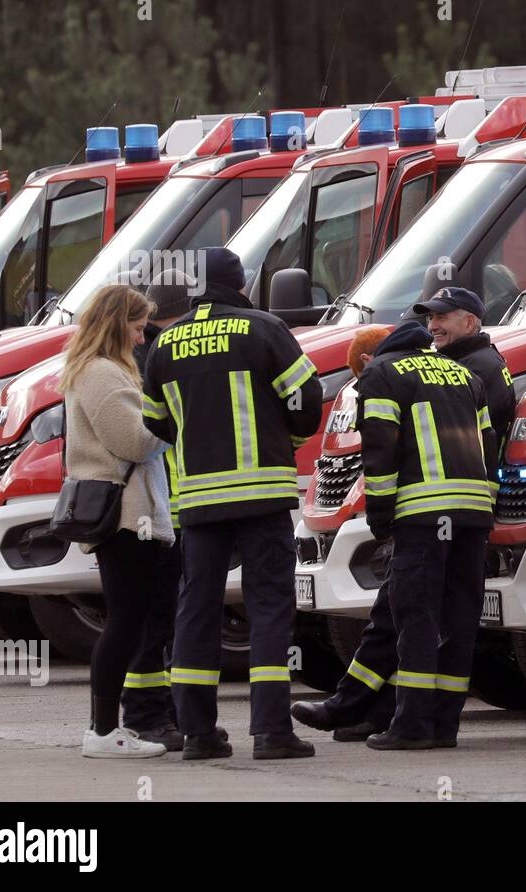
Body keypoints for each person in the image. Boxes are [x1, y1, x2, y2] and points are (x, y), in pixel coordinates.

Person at [291, 288, 516, 743]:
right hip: (470, 514)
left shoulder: (385, 376)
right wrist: (485, 510)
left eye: (445, 316)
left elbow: (380, 452)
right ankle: (424, 721)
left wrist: (380, 518)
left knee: (413, 616)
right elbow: (489, 448)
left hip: (423, 514)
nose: (435, 325)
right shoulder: (464, 374)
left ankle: (409, 724)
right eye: (430, 319)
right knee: (451, 618)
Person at [142, 247, 322, 760]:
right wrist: (280, 432)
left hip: (198, 500)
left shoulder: (164, 344)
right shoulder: (262, 328)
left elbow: (154, 422)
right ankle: (271, 732)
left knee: (195, 609)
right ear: (240, 284)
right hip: (262, 492)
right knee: (269, 606)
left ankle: (197, 733)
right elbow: (305, 400)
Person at [61, 284, 173, 759]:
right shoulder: (102, 373)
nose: (141, 332)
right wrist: (174, 422)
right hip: (130, 517)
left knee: (138, 619)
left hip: (135, 515)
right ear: (115, 323)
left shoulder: (99, 369)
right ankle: (103, 732)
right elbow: (134, 441)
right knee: (126, 622)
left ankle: (109, 729)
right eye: (135, 322)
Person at [118, 271, 213, 751]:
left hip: (164, 505)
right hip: (162, 506)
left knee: (163, 616)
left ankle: (161, 713)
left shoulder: (144, 353)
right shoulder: (158, 354)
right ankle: (147, 715)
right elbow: (148, 434)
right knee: (158, 617)